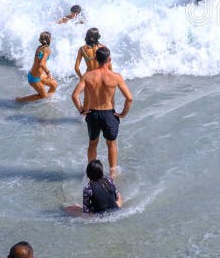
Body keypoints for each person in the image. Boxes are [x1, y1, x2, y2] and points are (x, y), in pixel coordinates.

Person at [71, 46, 133, 175]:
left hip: (92, 114)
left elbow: (74, 95)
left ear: (96, 59)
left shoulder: (88, 76)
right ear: (109, 59)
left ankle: (91, 173)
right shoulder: (116, 77)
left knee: (93, 143)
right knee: (111, 144)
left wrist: (81, 110)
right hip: (109, 114)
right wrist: (123, 114)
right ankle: (112, 174)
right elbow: (129, 99)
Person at [17, 32, 58, 102]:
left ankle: (49, 100)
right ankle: (20, 100)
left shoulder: (39, 47)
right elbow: (42, 64)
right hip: (34, 78)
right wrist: (48, 73)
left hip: (37, 75)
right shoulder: (47, 50)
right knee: (44, 96)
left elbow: (39, 62)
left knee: (54, 84)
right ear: (49, 40)